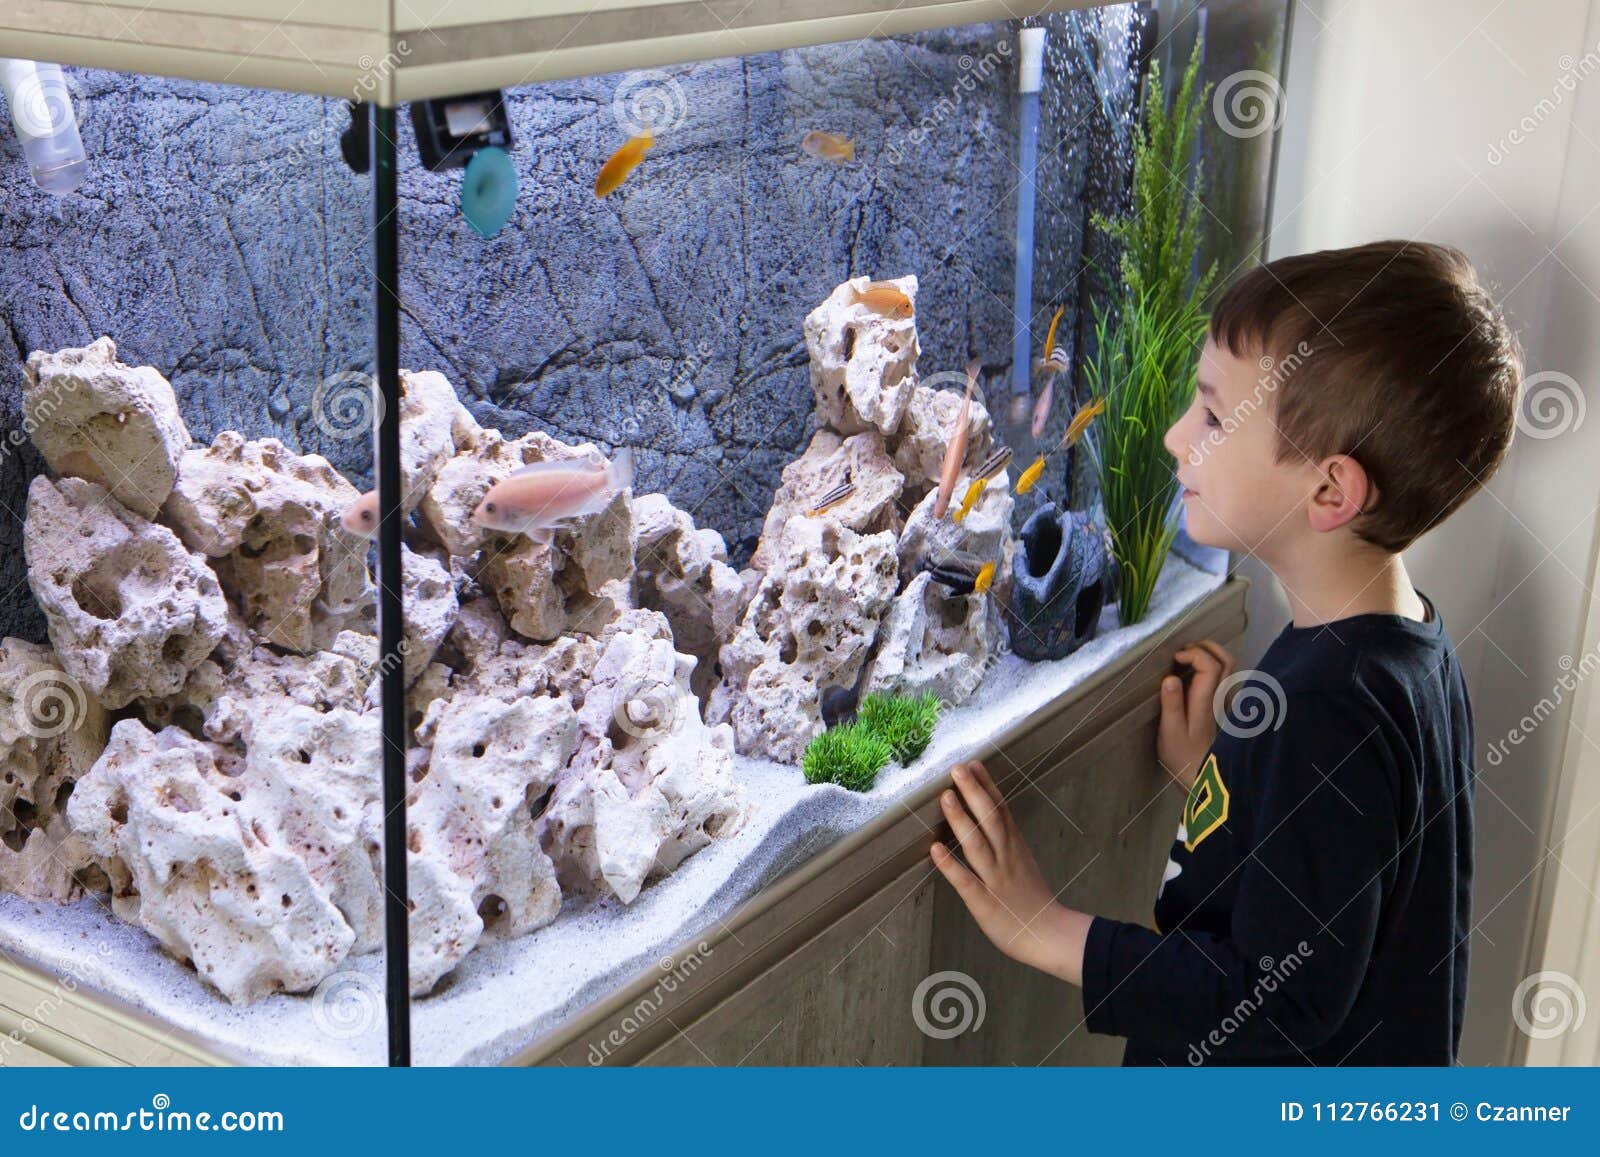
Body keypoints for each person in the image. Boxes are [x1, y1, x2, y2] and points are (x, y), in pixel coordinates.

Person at [932, 240, 1523, 1065]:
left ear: (1330, 491)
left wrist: (1047, 927)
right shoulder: (1404, 647)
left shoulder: (1330, 705)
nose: (1177, 437)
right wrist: (1224, 775)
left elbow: (1278, 997)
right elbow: (1345, 866)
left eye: (1214, 416)